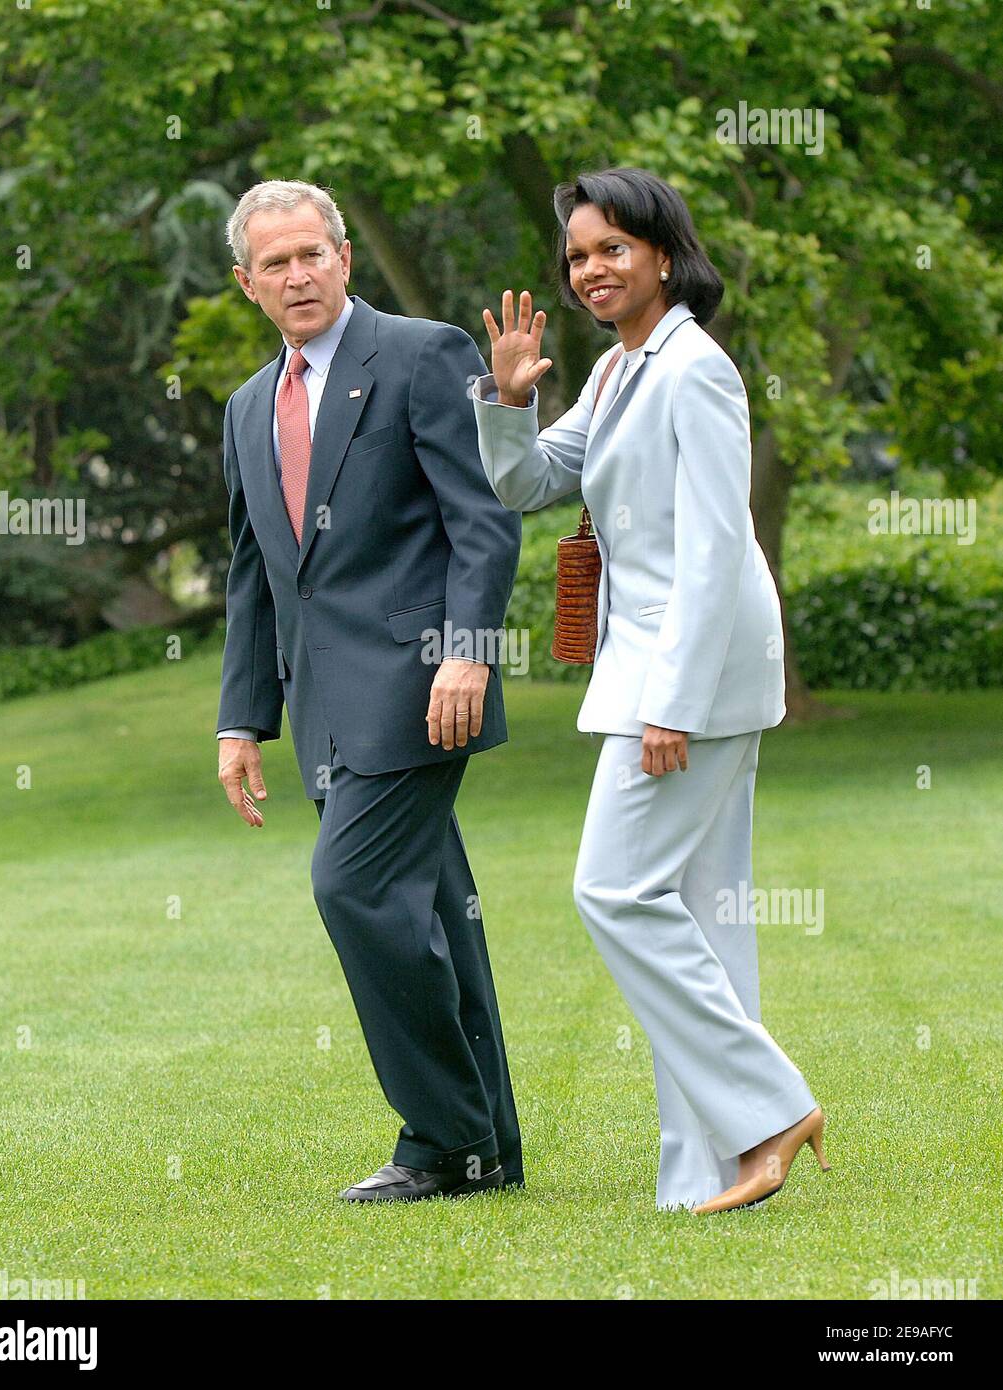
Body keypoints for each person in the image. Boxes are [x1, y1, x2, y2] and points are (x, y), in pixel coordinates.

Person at [472, 167, 829, 1213]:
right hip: (662, 674)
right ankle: (710, 1165)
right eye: (578, 255)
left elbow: (721, 549)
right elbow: (529, 483)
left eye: (612, 249)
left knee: (612, 890)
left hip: (691, 680)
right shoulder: (621, 372)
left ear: (663, 253)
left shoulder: (694, 371)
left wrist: (669, 699)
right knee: (703, 915)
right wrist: (507, 397)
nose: (591, 269)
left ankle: (769, 1108)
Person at [216, 179, 524, 1202]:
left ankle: (439, 1138)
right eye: (276, 264)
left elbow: (481, 519)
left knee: (349, 889)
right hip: (322, 711)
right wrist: (239, 717)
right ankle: (488, 1152)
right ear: (247, 283)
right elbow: (257, 572)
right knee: (435, 912)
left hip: (423, 684)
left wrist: (470, 651)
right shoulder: (247, 407)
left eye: (313, 253)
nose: (298, 275)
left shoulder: (424, 352)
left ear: (345, 256)